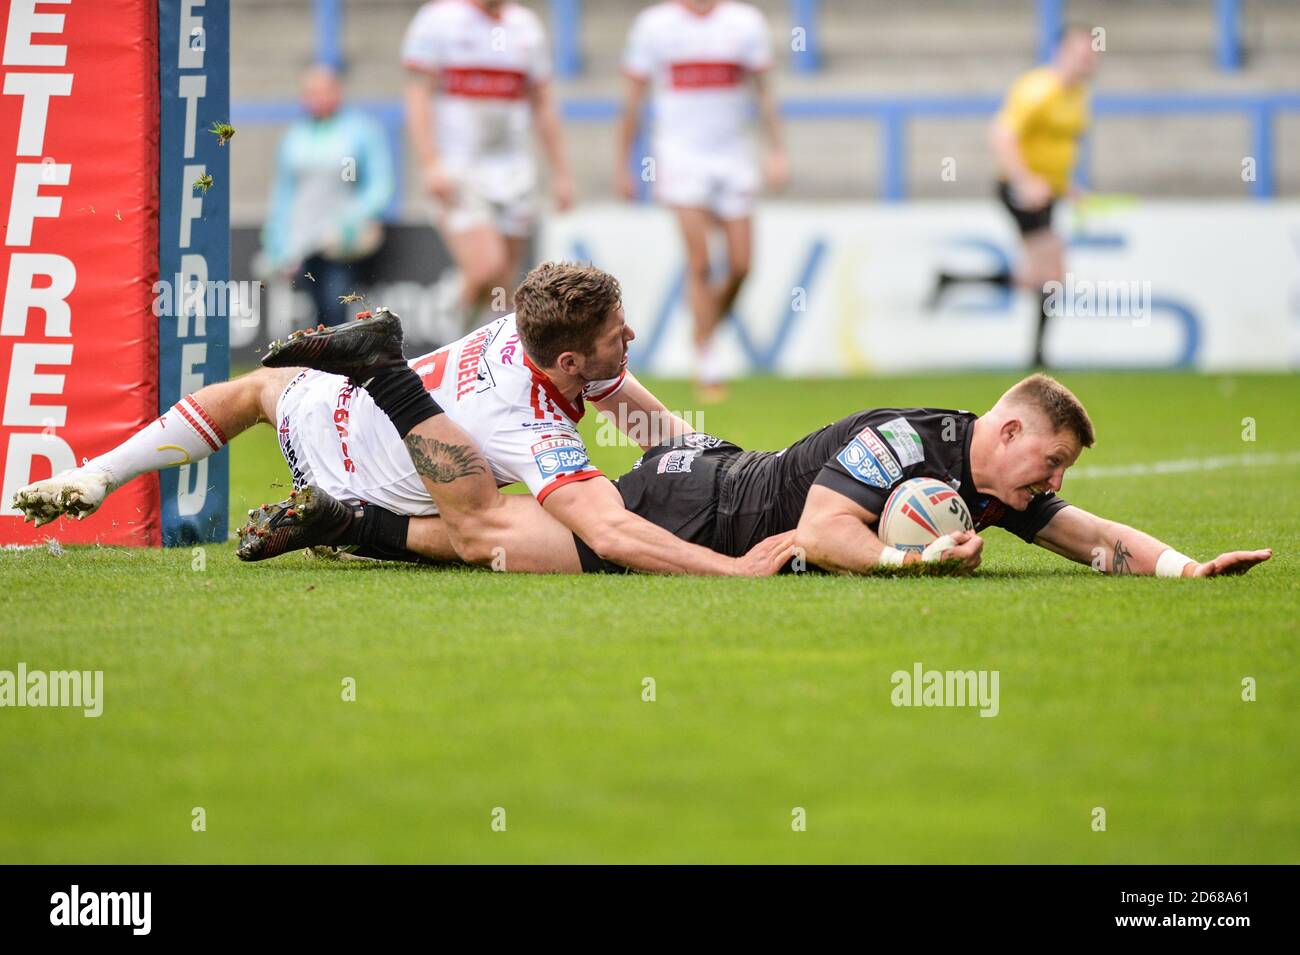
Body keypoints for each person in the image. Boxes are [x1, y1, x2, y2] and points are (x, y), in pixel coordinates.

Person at [13, 265, 791, 577]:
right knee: (504, 530)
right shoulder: (535, 423)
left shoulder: (533, 333)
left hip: (333, 405)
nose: (632, 339)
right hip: (358, 478)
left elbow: (650, 424)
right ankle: (350, 525)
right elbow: (613, 533)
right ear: (566, 366)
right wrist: (730, 568)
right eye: (618, 333)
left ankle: (99, 471)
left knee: (258, 389)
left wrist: (741, 467)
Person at [242, 375, 1271, 582]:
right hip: (698, 502)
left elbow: (1083, 533)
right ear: (1005, 431)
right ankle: (363, 510)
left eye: (1057, 470)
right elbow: (825, 536)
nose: (1047, 480)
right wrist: (910, 565)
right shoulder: (904, 442)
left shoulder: (996, 481)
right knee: (523, 549)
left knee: (517, 537)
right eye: (1046, 458)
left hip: (722, 470)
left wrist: (1183, 568)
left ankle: (345, 513)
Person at [617, 0, 787, 402]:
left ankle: (704, 330)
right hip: (680, 155)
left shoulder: (744, 23)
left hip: (734, 155)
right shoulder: (655, 25)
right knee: (701, 260)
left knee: (743, 264)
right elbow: (632, 101)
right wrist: (624, 164)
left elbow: (764, 92)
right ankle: (707, 359)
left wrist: (776, 150)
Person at [932, 25, 1099, 367]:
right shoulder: (1039, 90)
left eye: (1092, 54)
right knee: (1052, 273)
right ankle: (1038, 356)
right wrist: (1025, 181)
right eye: (1081, 53)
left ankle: (954, 280)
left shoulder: (1078, 96)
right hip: (1021, 191)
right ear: (1060, 53)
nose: (1088, 60)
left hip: (1047, 192)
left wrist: (1065, 186)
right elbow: (1001, 134)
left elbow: (1053, 146)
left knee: (1040, 277)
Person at [402, 0, 573, 328]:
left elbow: (543, 103)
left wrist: (561, 173)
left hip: (513, 171)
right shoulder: (438, 20)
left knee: (504, 283)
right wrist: (430, 162)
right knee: (485, 267)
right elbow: (417, 94)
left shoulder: (526, 27)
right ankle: (447, 332)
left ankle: (482, 362)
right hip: (459, 168)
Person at [259, 64, 395, 327]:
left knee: (337, 304)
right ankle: (321, 367)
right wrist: (277, 240)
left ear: (338, 91)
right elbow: (284, 193)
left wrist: (353, 219)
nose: (318, 97)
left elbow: (380, 184)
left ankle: (343, 365)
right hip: (303, 241)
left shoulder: (361, 131)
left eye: (324, 90)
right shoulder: (295, 137)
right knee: (316, 310)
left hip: (341, 242)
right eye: (311, 91)